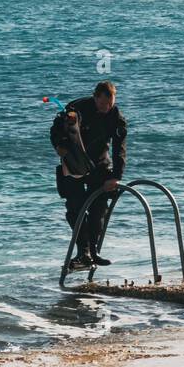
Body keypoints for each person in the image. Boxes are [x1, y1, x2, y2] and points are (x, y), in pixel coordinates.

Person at [52, 80, 127, 269]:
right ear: (95, 97)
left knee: (99, 208)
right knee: (75, 208)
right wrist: (59, 145)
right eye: (103, 104)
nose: (106, 108)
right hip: (74, 162)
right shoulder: (76, 108)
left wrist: (116, 176)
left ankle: (94, 251)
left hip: (99, 164)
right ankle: (82, 252)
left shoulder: (116, 117)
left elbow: (120, 149)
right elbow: (55, 130)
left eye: (110, 105)